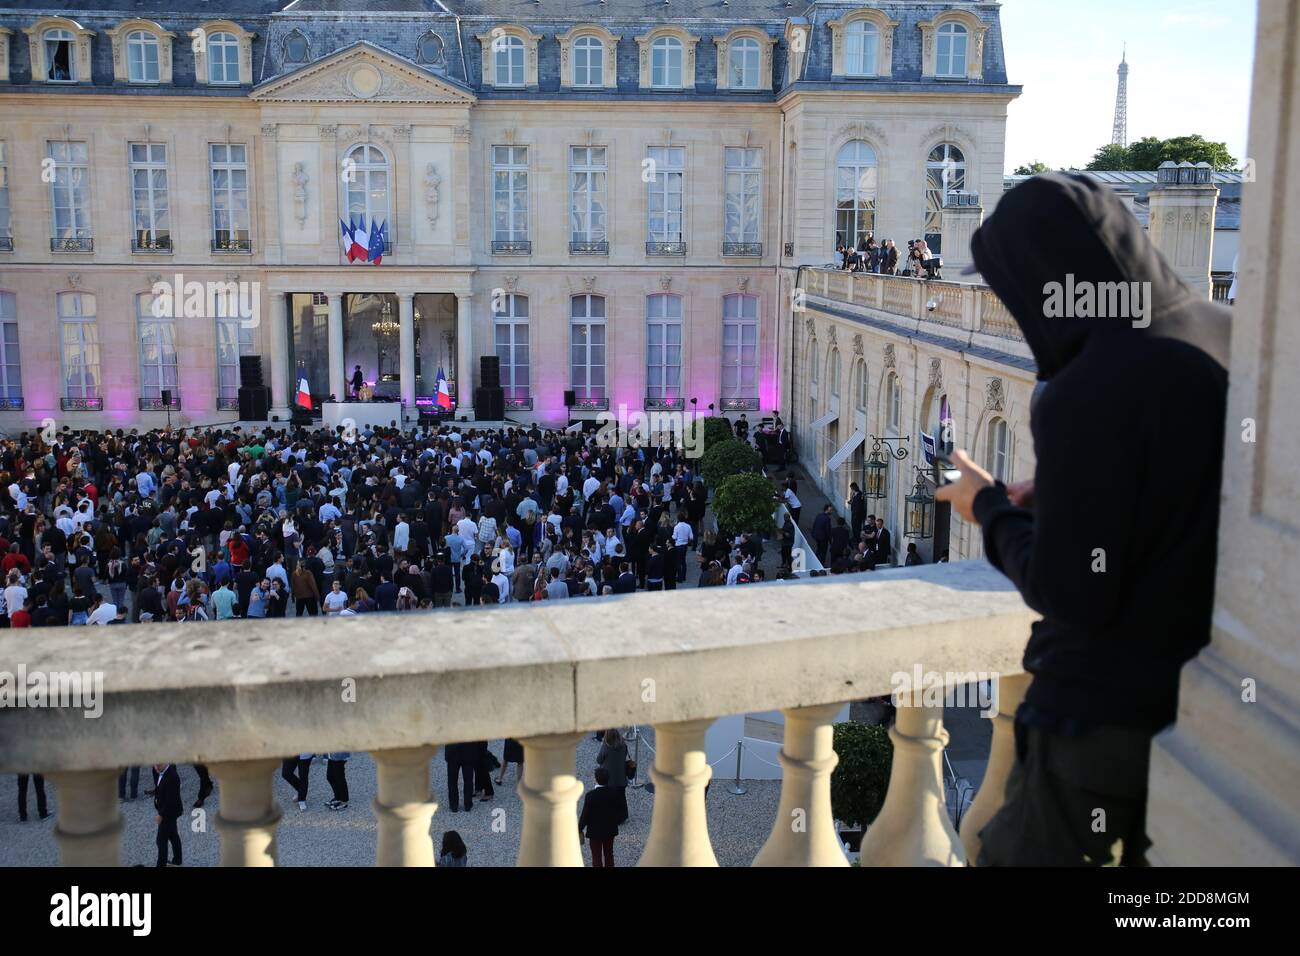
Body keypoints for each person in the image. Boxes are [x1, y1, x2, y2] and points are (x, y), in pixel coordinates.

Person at [935, 173, 1230, 867]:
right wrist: (1065, 495)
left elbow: (1071, 590)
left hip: (1099, 714)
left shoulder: (1086, 387)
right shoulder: (1229, 335)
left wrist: (989, 506)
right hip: (1207, 710)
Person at [577, 767, 622, 868]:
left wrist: (579, 828)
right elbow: (619, 812)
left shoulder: (590, 796)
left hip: (595, 832)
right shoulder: (614, 793)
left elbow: (585, 815)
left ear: (596, 779)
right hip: (610, 830)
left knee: (596, 857)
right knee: (609, 855)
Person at [595, 728, 630, 824]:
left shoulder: (606, 747)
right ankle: (622, 817)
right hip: (621, 777)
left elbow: (599, 760)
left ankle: (610, 816)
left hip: (609, 778)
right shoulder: (623, 746)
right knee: (621, 797)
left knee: (609, 799)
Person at [152, 762, 183, 867]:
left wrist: (161, 815)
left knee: (161, 840)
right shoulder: (162, 771)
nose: (156, 767)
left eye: (158, 765)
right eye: (155, 765)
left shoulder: (172, 777)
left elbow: (170, 800)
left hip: (169, 813)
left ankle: (161, 865)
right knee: (173, 835)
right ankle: (177, 860)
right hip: (170, 811)